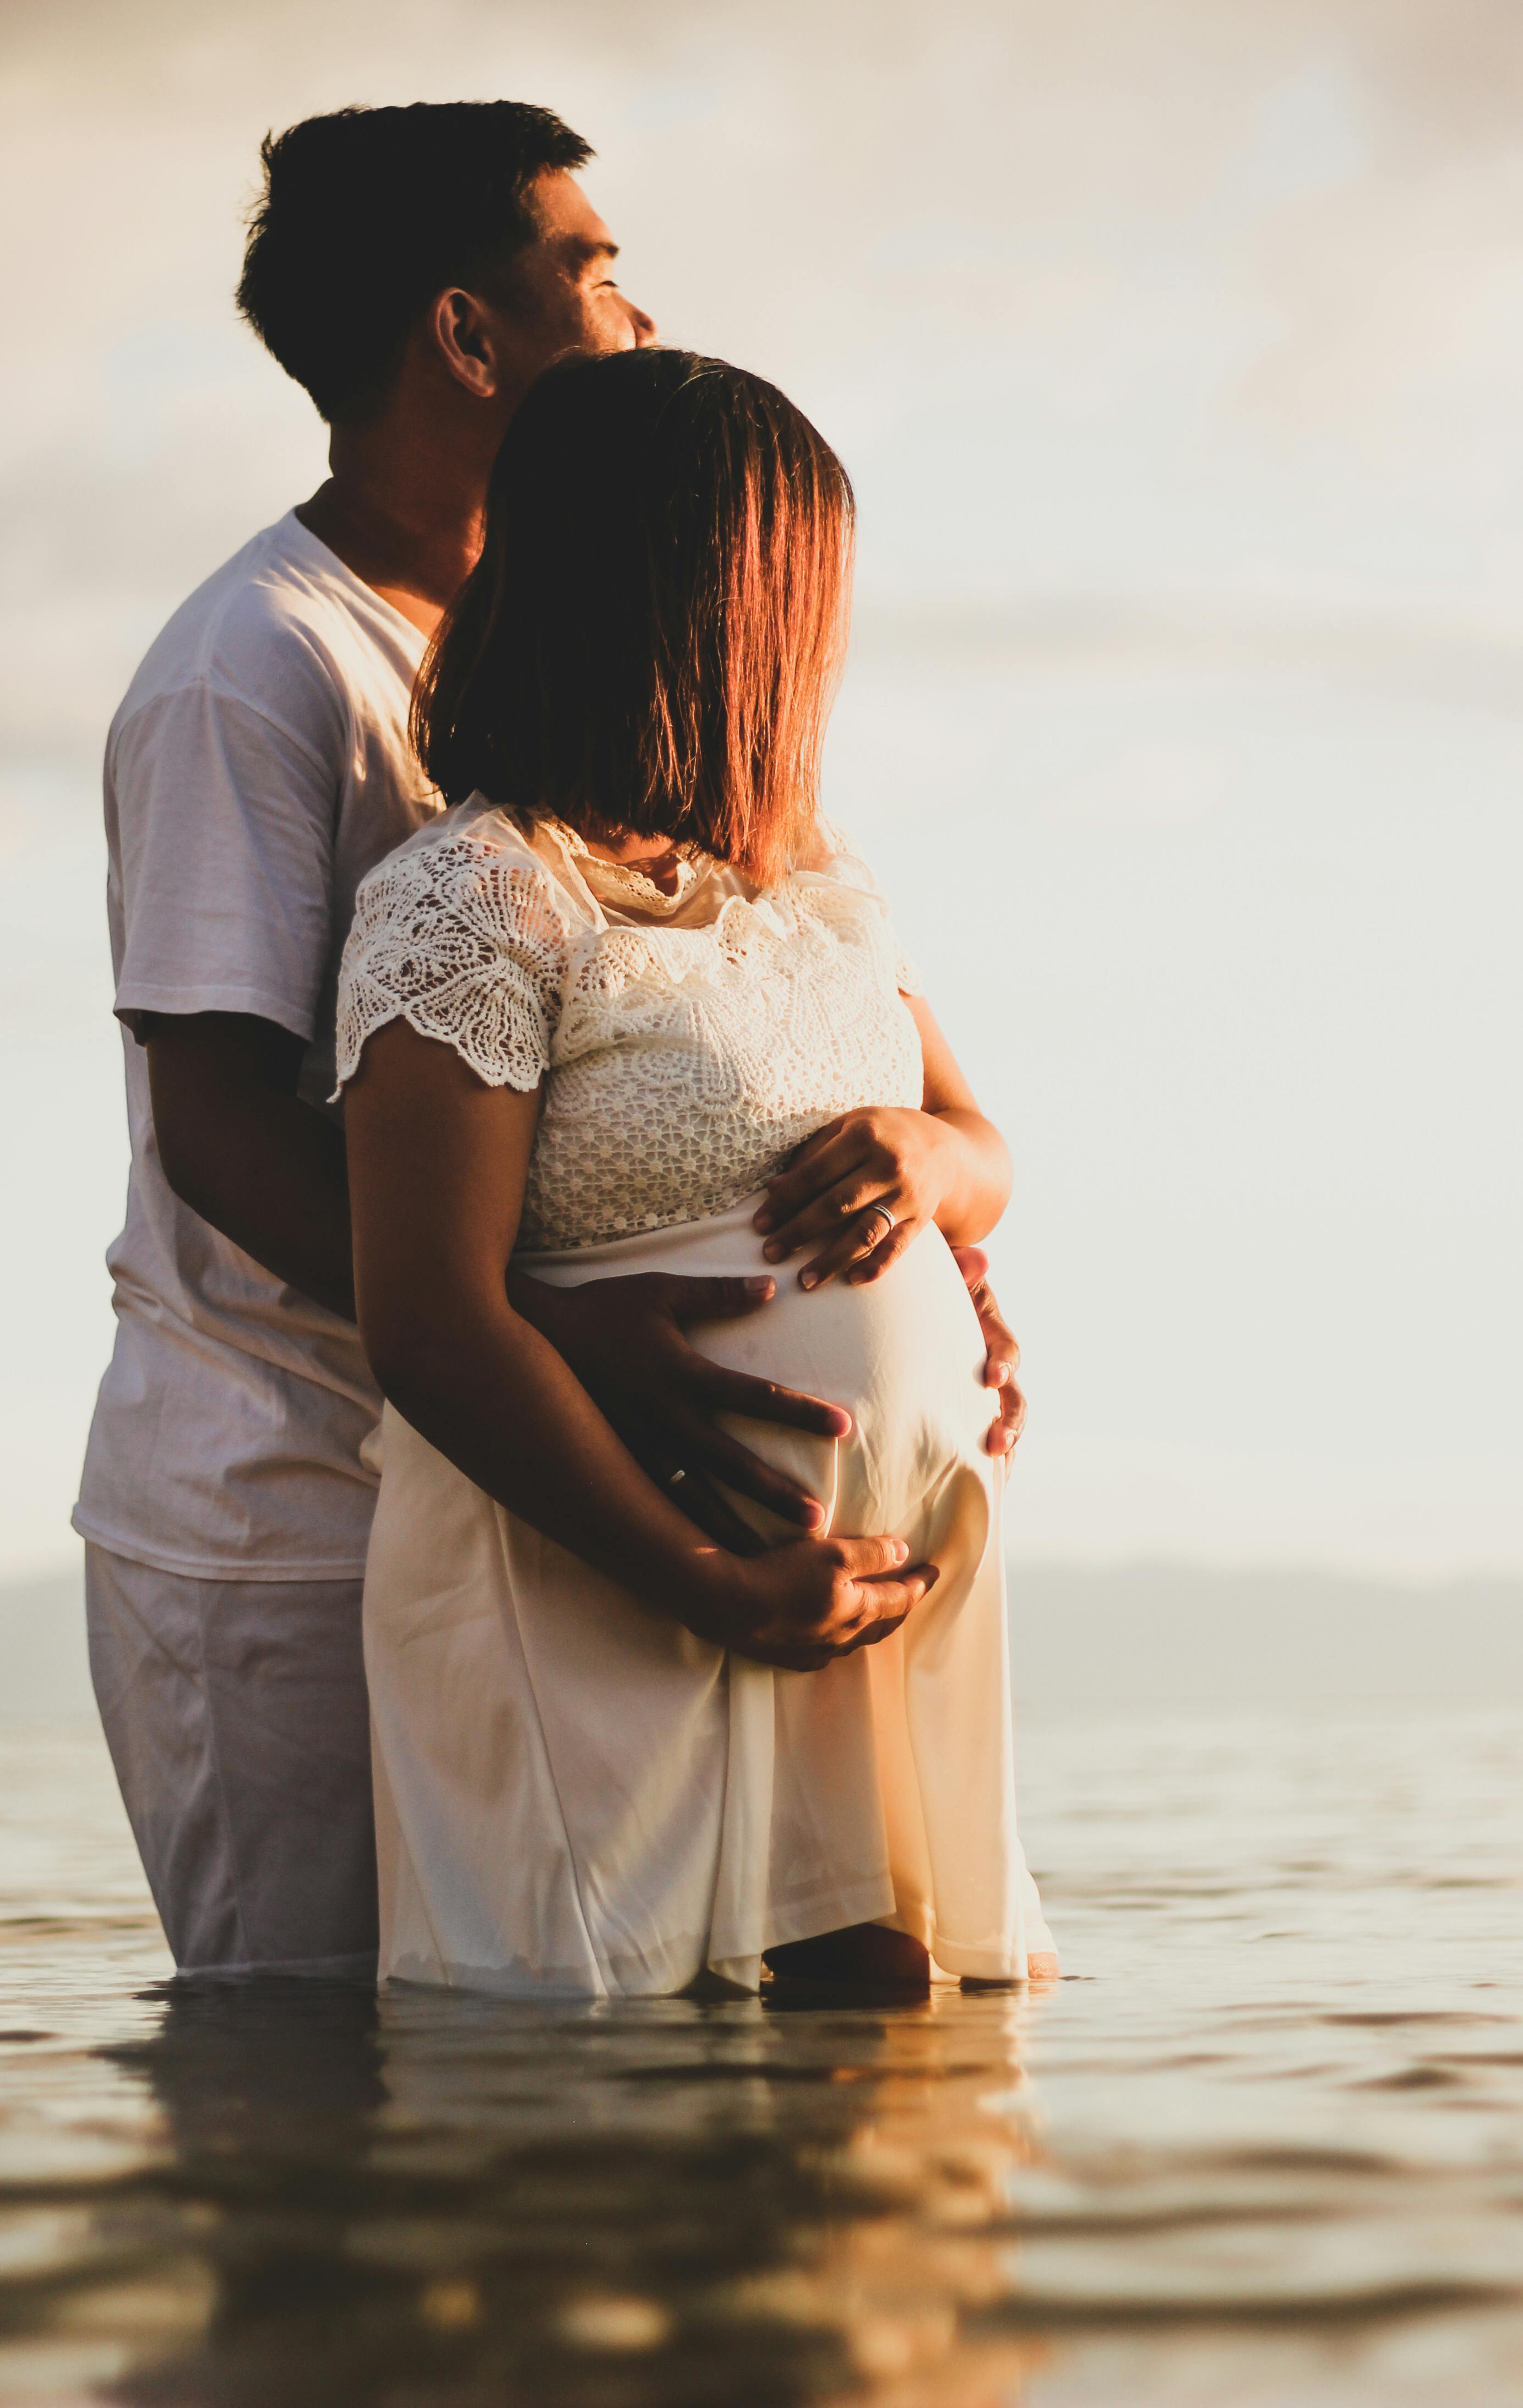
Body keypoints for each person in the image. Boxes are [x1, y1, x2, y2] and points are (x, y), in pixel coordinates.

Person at [74, 100, 1027, 1982]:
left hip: (577, 1489)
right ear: (465, 330)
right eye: (590, 265)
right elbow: (221, 1134)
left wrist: (920, 1219)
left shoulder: (595, 669)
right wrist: (538, 1332)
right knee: (339, 2135)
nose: (638, 306)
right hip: (302, 1499)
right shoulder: (252, 670)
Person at [337, 349, 1055, 1998]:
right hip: (620, 1585)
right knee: (623, 2153)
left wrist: (932, 1162)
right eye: (804, 596)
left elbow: (987, 1156)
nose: (824, 651)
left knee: (880, 2136)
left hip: (851, 1601)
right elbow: (429, 1321)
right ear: (706, 608)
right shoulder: (476, 900)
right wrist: (712, 1583)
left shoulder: (816, 883)